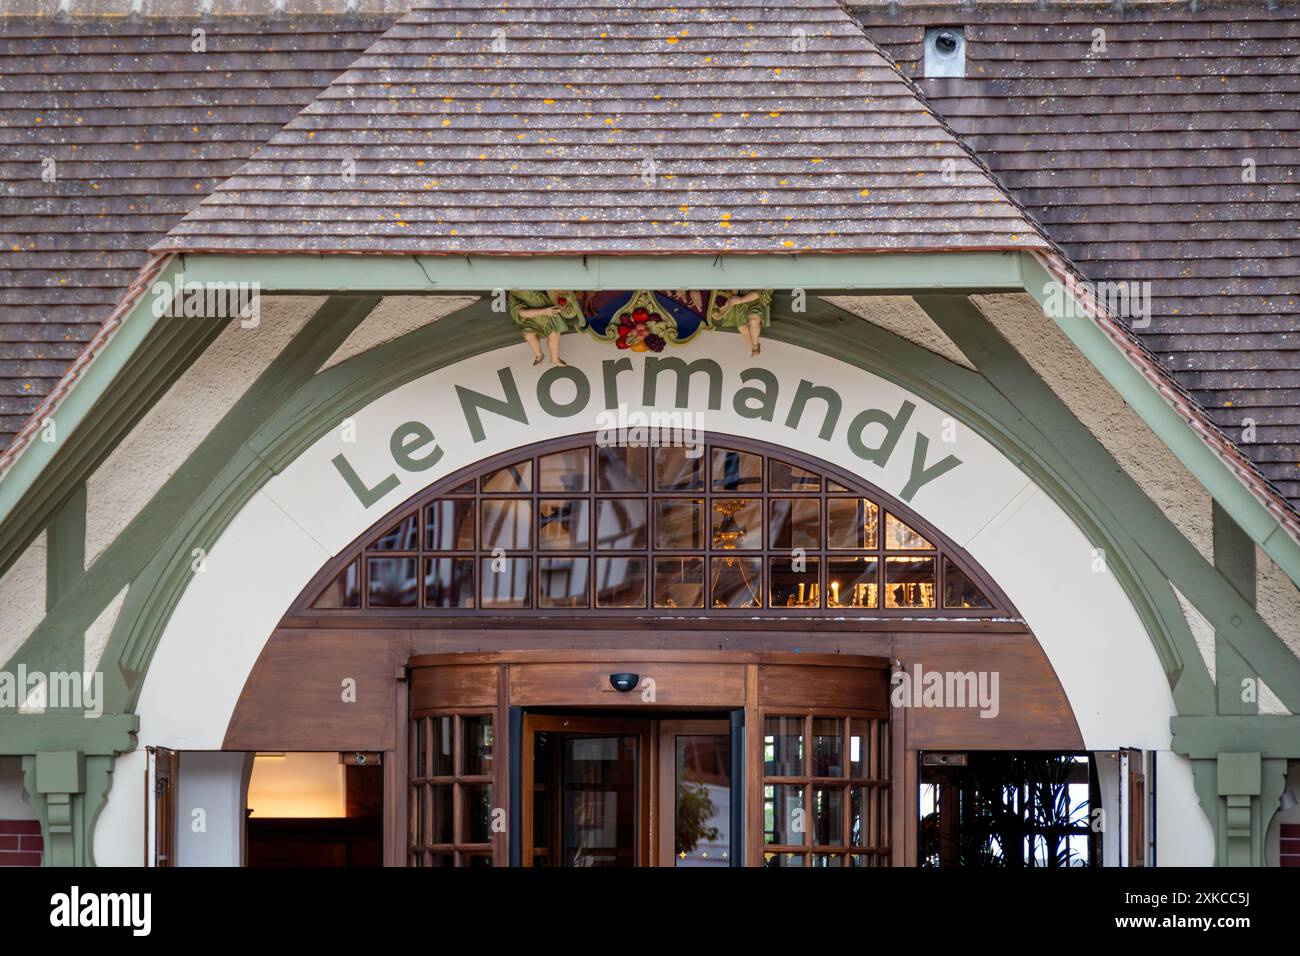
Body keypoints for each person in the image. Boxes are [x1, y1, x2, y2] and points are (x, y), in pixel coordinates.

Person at [508, 290, 583, 366]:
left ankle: (555, 359)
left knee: (554, 334)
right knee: (529, 335)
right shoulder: (513, 294)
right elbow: (522, 313)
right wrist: (544, 311)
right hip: (533, 319)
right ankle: (539, 355)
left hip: (548, 313)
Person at [709, 289, 773, 356]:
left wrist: (740, 299)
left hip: (756, 295)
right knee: (742, 326)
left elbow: (764, 292)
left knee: (754, 321)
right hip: (740, 293)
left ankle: (755, 346)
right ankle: (754, 349)